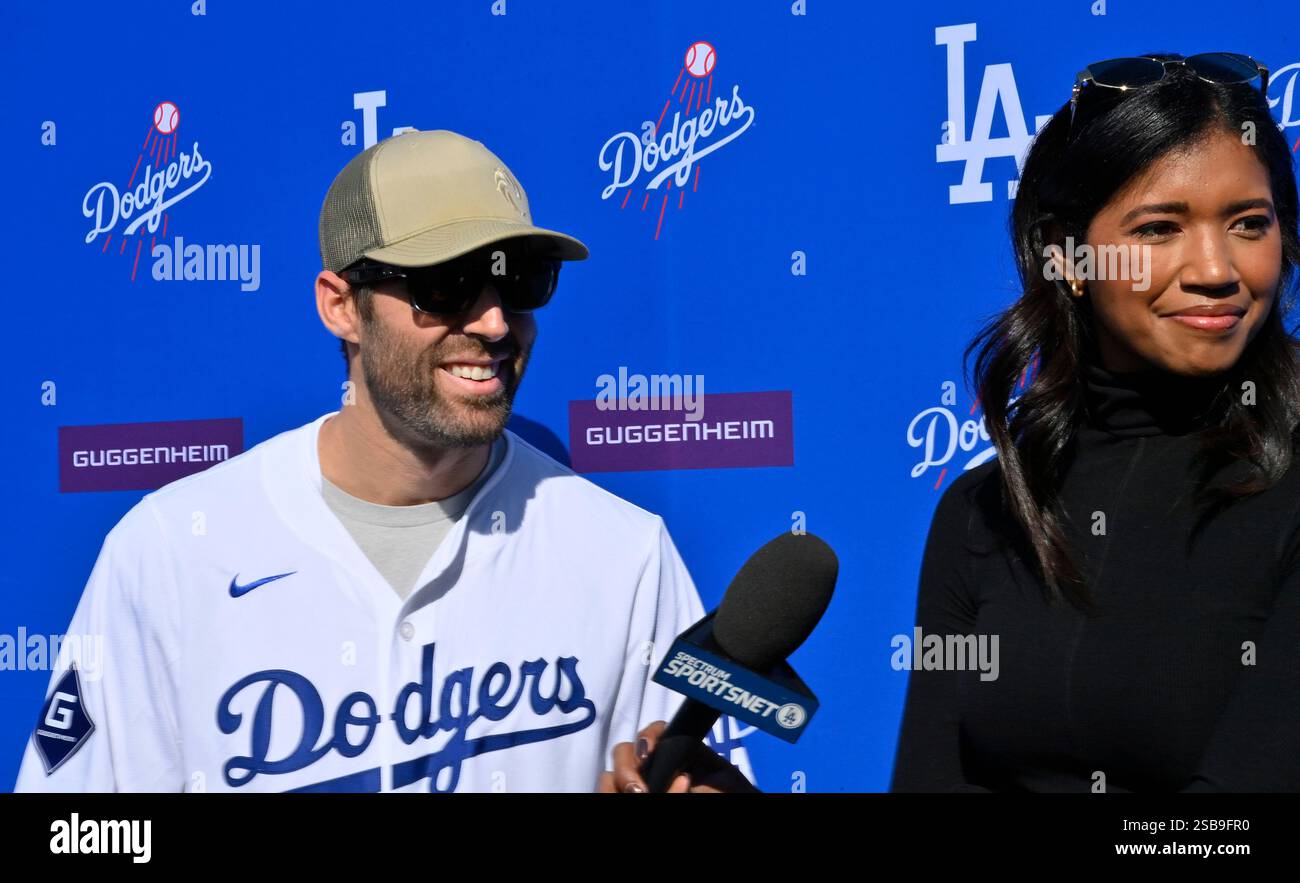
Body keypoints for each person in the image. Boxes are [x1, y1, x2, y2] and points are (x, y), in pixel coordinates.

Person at [15, 128, 748, 792]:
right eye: (447, 283)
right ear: (341, 306)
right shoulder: (171, 550)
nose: (493, 321)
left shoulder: (624, 553)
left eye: (519, 280)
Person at [891, 53, 1300, 792]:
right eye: (1159, 229)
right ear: (1068, 258)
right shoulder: (984, 513)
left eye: (1248, 223)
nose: (1214, 267)